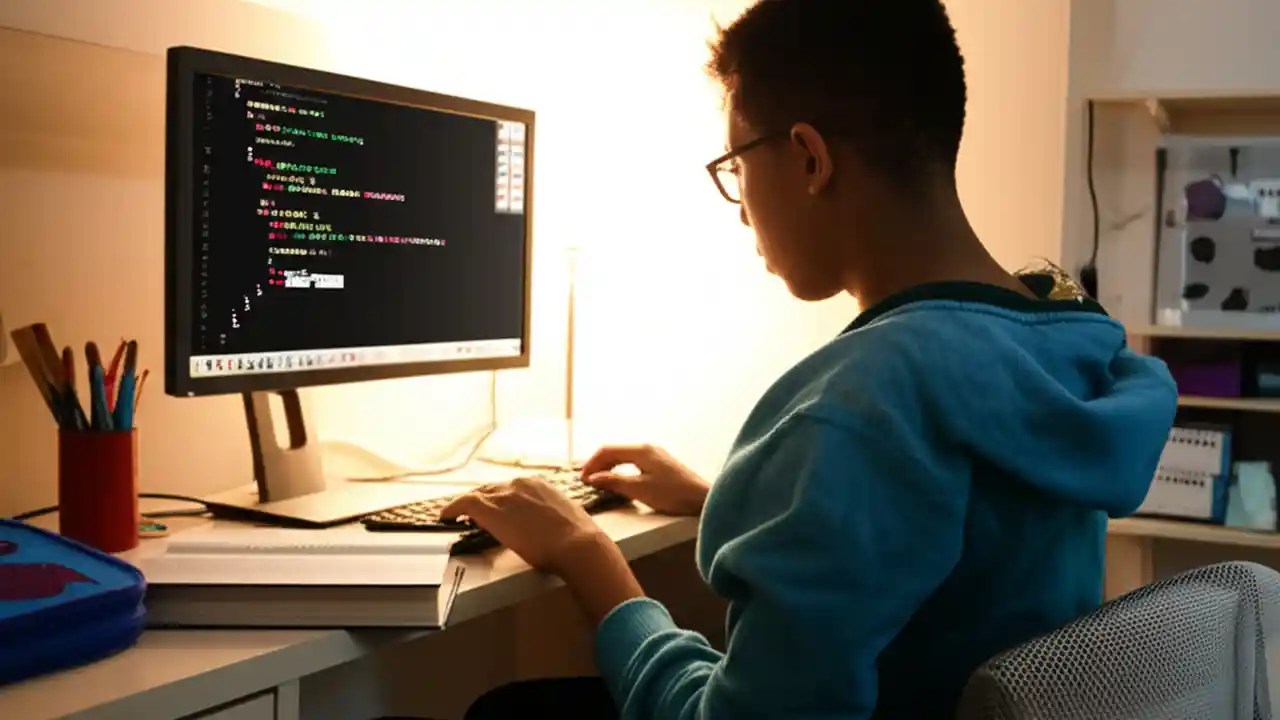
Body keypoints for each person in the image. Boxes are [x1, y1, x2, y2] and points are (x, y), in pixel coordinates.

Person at [441, 0, 1178, 717]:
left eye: (736, 164)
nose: (739, 205)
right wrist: (719, 498)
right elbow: (956, 537)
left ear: (809, 157)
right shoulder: (1060, 339)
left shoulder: (862, 403)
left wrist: (584, 551)